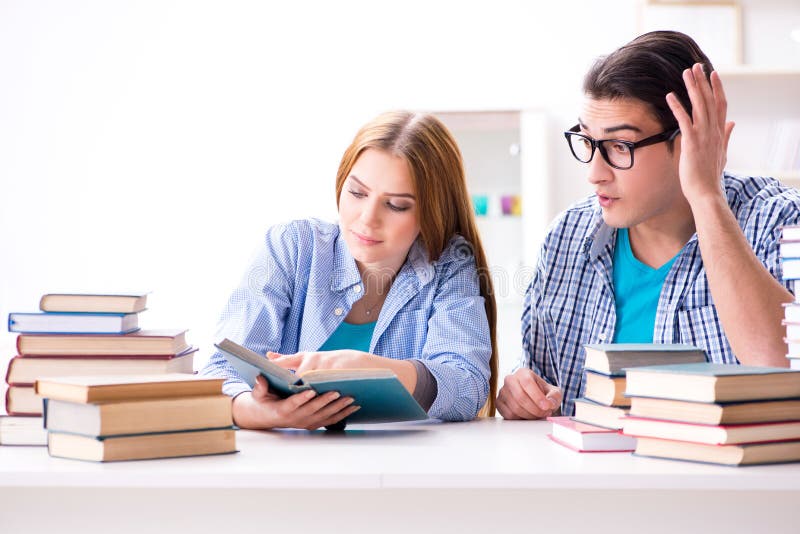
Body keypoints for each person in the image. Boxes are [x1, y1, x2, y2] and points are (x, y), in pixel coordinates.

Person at [497, 31, 800, 420]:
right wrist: (520, 394)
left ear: (691, 137)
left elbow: (780, 369)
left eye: (620, 147)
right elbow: (539, 385)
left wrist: (706, 196)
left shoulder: (778, 223)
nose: (595, 173)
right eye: (587, 141)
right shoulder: (567, 236)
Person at [202, 111, 497, 429]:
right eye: (357, 193)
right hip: (288, 467)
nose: (367, 218)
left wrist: (374, 370)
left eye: (396, 205)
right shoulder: (292, 246)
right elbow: (221, 369)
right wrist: (257, 413)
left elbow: (468, 387)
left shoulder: (449, 265)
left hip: (402, 471)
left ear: (432, 212)